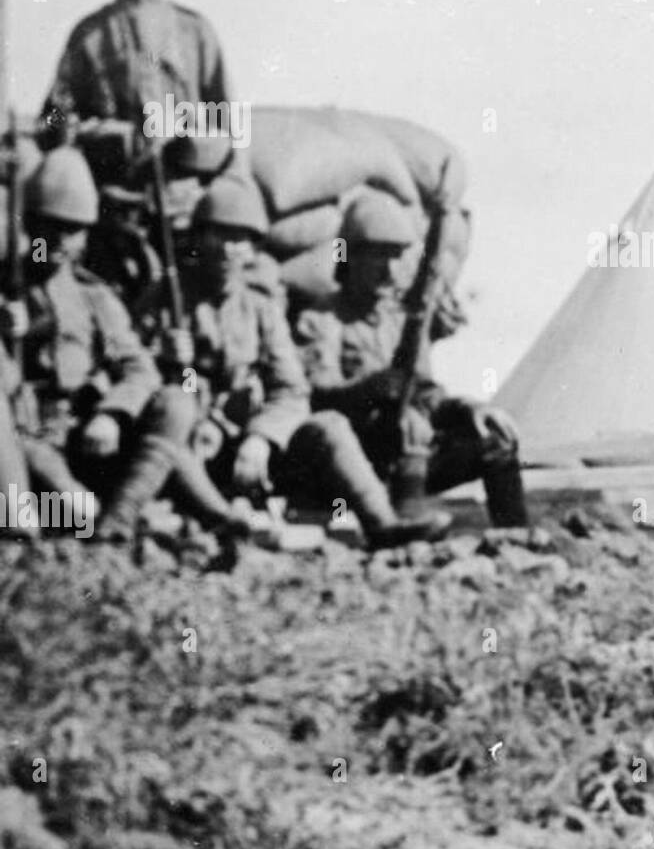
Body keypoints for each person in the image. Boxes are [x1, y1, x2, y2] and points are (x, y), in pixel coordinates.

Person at [173, 175, 445, 548]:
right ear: (195, 240)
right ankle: (205, 521)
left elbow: (291, 389)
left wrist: (261, 438)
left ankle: (383, 526)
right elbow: (136, 379)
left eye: (240, 240)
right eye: (217, 236)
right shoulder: (164, 302)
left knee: (329, 427)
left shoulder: (261, 309)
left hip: (254, 448)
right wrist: (174, 367)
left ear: (253, 249)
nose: (227, 250)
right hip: (188, 443)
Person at [0, 146, 202, 542]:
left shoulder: (95, 298)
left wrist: (113, 414)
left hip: (82, 441)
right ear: (29, 226)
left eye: (73, 230)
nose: (59, 241)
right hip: (22, 449)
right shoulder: (6, 290)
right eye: (50, 227)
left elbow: (139, 367)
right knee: (67, 506)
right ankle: (26, 522)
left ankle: (115, 525)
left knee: (177, 402)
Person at [292, 191, 529, 528]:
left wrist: (470, 410)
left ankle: (515, 540)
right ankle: (403, 525)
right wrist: (371, 389)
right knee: (407, 426)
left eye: (395, 256)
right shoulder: (322, 319)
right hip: (352, 463)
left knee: (495, 444)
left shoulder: (401, 320)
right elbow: (317, 398)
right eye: (377, 257)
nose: (388, 269)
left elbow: (427, 395)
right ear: (351, 258)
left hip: (412, 457)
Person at [39, 0, 239, 191]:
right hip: (111, 200)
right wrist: (105, 134)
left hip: (187, 197)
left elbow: (228, 122)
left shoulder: (194, 31)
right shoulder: (90, 35)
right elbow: (52, 122)